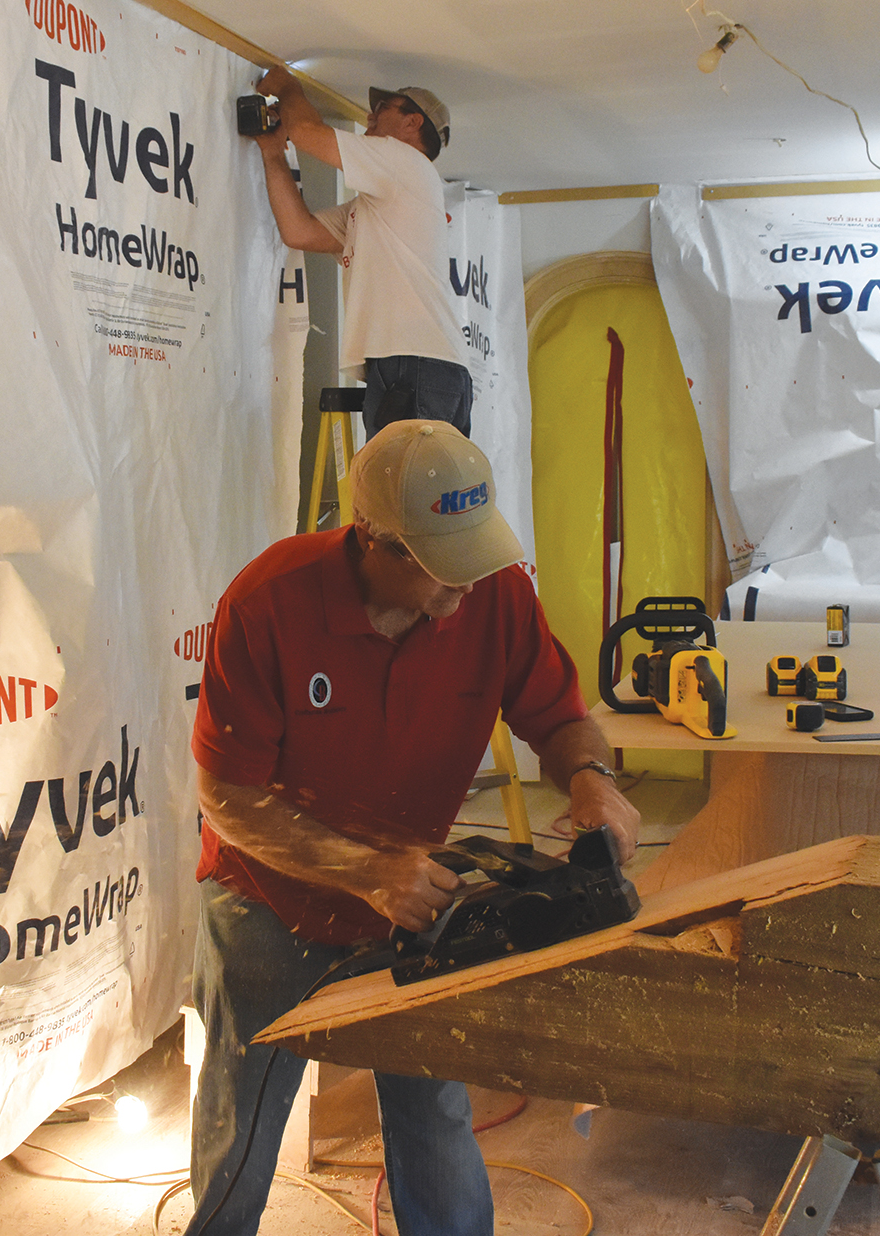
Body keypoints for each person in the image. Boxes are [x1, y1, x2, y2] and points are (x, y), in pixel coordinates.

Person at [184, 420, 640, 1236]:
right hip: (269, 901)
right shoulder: (266, 606)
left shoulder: (495, 593)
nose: (462, 588)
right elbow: (227, 795)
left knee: (433, 1106)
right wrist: (364, 869)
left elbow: (561, 717)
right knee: (241, 1130)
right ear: (373, 541)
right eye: (441, 568)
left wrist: (591, 778)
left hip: (414, 897)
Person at [248, 66, 476, 437]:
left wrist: (288, 85)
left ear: (412, 122)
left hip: (414, 362)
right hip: (416, 364)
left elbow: (306, 133)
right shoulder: (377, 207)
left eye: (384, 106)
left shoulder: (406, 162)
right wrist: (273, 154)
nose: (370, 115)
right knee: (412, 491)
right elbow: (299, 231)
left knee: (400, 491)